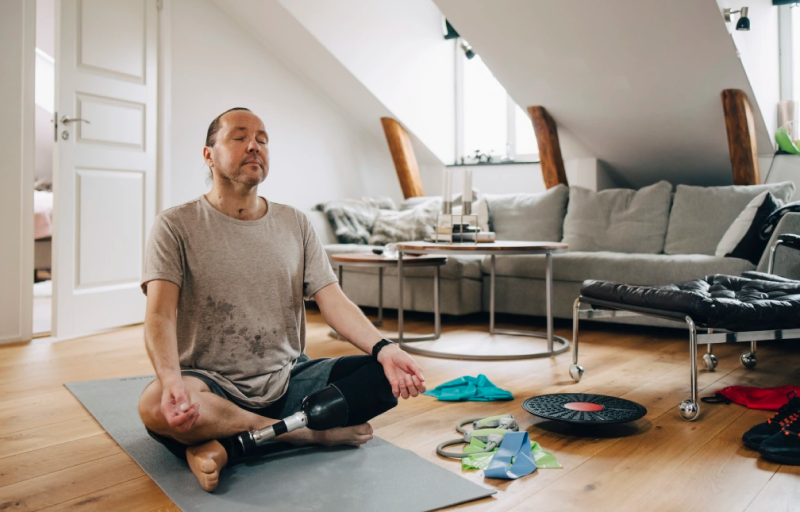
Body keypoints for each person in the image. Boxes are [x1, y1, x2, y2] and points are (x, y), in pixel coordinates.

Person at [137, 107, 426, 492]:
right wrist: (172, 379)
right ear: (209, 155)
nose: (254, 146)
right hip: (210, 388)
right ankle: (300, 434)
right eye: (239, 137)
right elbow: (159, 315)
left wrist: (384, 348)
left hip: (289, 381)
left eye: (262, 140)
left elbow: (333, 301)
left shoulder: (295, 223)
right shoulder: (175, 225)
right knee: (155, 404)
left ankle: (227, 444)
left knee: (384, 378)